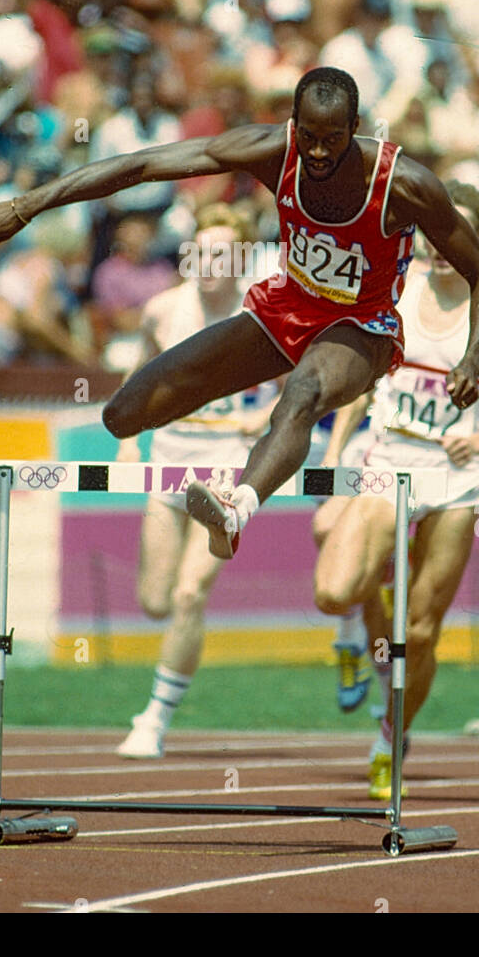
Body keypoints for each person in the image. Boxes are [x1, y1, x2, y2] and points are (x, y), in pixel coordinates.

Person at [0, 67, 479, 559]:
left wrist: (471, 359)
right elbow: (142, 165)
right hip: (287, 309)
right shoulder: (273, 149)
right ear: (294, 124)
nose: (317, 153)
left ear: (355, 127)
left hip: (363, 327)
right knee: (125, 413)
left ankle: (235, 511)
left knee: (303, 392)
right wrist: (27, 204)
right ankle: (204, 456)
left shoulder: (404, 184)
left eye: (333, 140)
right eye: (309, 137)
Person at [312, 182, 479, 798]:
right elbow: (357, 383)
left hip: (457, 476)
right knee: (335, 589)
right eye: (435, 232)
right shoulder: (396, 295)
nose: (443, 247)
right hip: (389, 458)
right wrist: (335, 458)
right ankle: (358, 630)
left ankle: (390, 738)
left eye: (457, 234)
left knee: (422, 630)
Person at [116, 204, 278, 758]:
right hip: (168, 460)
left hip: (227, 463)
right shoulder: (163, 310)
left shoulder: (261, 314)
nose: (210, 263)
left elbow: (301, 374)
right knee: (154, 601)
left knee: (189, 595)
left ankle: (153, 720)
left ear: (242, 260)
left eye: (222, 253)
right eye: (202, 251)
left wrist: (269, 413)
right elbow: (136, 375)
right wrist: (126, 442)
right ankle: (156, 707)